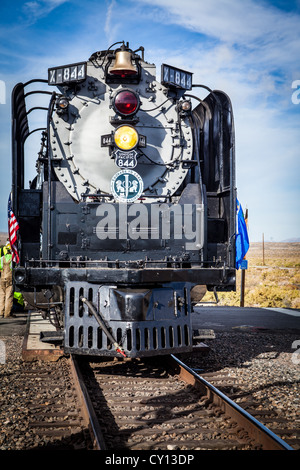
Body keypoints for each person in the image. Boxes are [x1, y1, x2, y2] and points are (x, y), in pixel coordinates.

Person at [0, 242, 13, 318]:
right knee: (9, 296)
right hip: (9, 278)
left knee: (1, 295)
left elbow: (0, 268)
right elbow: (12, 269)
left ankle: (1, 312)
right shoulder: (12, 259)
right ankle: (7, 314)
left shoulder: (1, 258)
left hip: (2, 278)